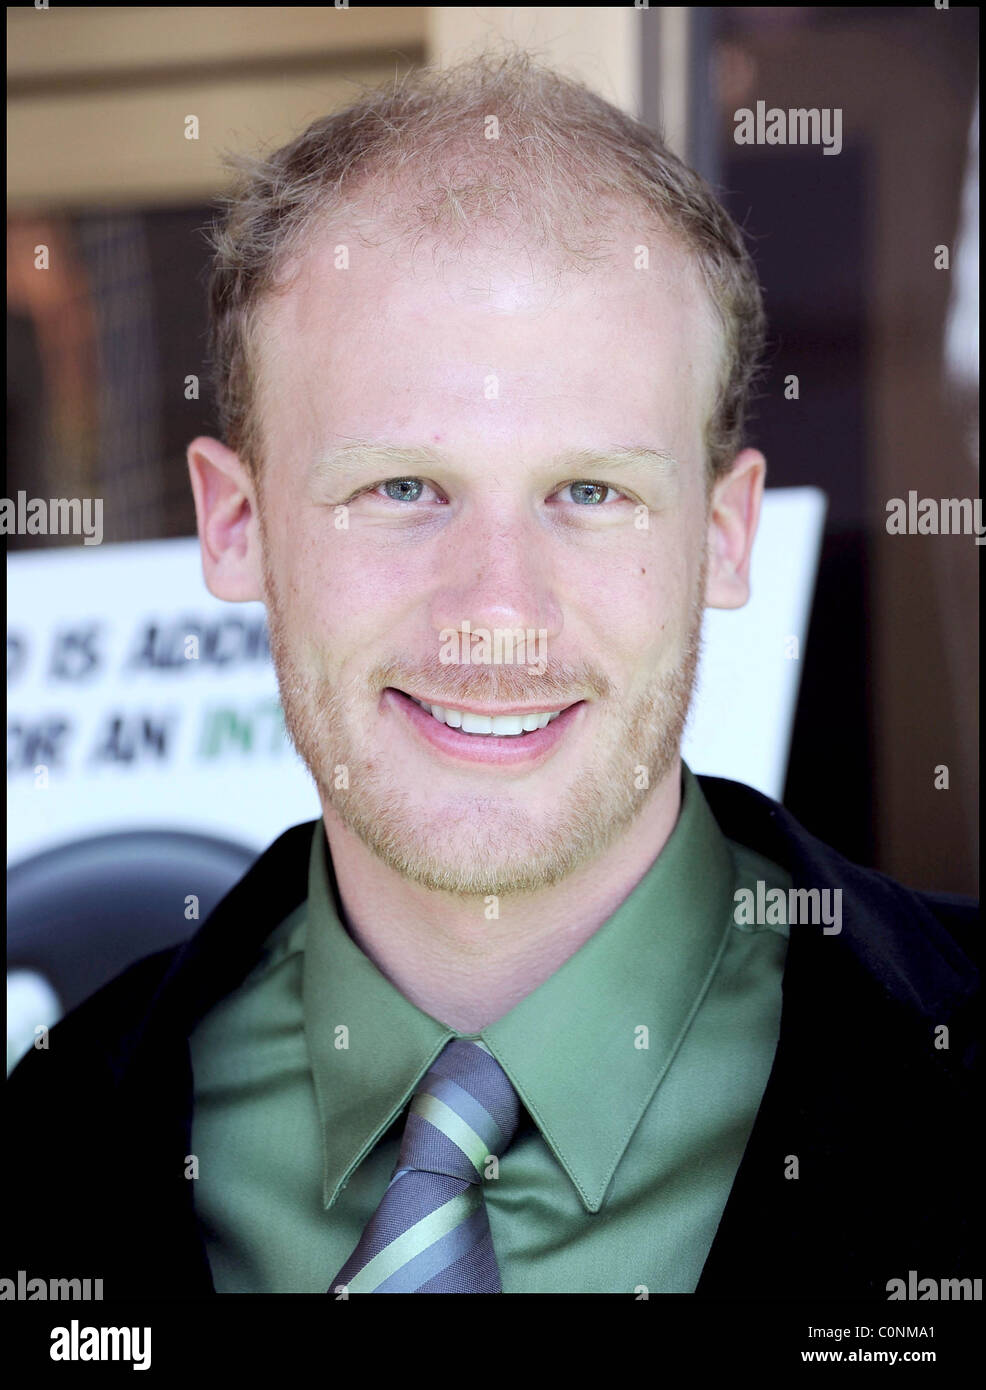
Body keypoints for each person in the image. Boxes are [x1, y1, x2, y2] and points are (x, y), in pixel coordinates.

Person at [6, 50, 977, 1298]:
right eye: (401, 487)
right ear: (234, 524)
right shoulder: (45, 1152)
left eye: (589, 491)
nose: (498, 610)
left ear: (722, 534)